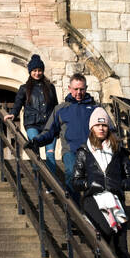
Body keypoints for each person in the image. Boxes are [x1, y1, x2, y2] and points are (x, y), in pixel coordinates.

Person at [71, 107, 130, 258]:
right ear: (91, 128)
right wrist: (89, 184)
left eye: (104, 125)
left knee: (121, 242)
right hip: (93, 199)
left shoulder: (119, 151)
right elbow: (76, 181)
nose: (101, 128)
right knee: (104, 232)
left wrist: (121, 185)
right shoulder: (83, 152)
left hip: (115, 199)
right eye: (97, 125)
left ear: (108, 127)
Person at [28, 72, 98, 201]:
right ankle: (74, 213)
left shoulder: (95, 108)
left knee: (93, 181)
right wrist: (36, 141)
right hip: (70, 150)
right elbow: (49, 131)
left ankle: (92, 214)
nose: (78, 92)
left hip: (92, 150)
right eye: (75, 89)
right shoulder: (61, 109)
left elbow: (108, 129)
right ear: (69, 89)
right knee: (71, 174)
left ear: (86, 89)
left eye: (81, 89)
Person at [5, 55, 58, 172]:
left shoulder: (50, 87)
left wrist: (58, 126)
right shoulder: (24, 88)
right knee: (35, 153)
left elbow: (56, 107)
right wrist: (13, 113)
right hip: (32, 124)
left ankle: (53, 187)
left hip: (50, 126)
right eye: (34, 70)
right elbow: (18, 103)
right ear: (30, 72)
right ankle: (38, 182)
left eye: (39, 70)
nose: (37, 73)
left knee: (50, 155)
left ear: (43, 71)